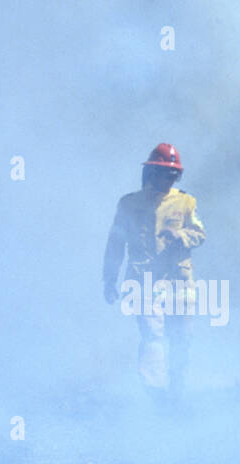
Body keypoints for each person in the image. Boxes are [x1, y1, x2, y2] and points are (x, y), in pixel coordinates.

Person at [102, 143, 206, 407]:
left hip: (180, 283)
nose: (168, 179)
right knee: (153, 335)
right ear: (151, 173)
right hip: (144, 283)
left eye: (173, 174)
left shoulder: (185, 202)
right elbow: (115, 244)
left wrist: (181, 235)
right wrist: (109, 279)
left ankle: (176, 393)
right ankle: (156, 392)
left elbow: (200, 234)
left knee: (182, 338)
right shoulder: (129, 204)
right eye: (163, 173)